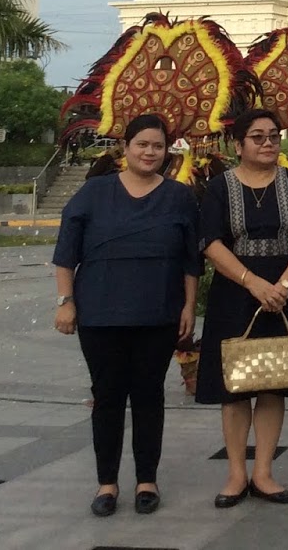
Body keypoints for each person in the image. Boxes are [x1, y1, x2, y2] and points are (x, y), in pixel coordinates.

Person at [53, 113, 200, 518]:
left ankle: (147, 480)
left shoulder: (180, 197)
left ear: (166, 150)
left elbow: (192, 261)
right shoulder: (93, 193)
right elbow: (66, 253)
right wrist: (65, 301)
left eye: (157, 146)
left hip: (158, 313)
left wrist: (188, 306)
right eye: (142, 144)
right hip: (100, 314)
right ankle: (107, 484)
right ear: (126, 147)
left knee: (150, 395)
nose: (150, 152)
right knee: (108, 397)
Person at [194, 108, 288, 505]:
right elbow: (211, 242)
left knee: (273, 382)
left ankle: (264, 472)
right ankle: (236, 474)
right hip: (235, 293)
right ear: (238, 144)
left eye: (273, 136)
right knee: (234, 387)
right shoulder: (219, 187)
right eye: (258, 137)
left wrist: (281, 284)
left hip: (283, 294)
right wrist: (253, 283)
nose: (268, 143)